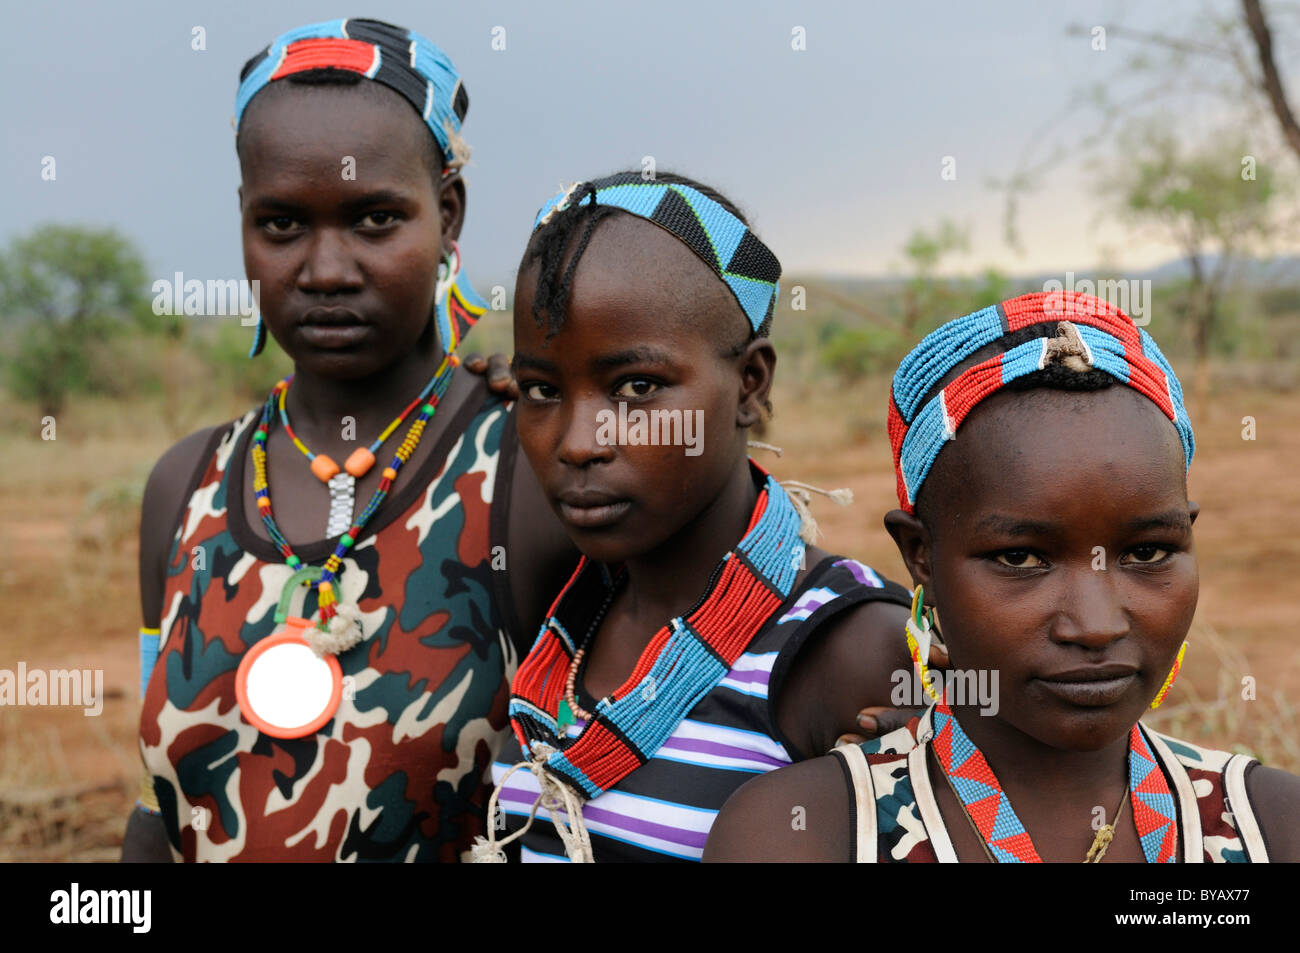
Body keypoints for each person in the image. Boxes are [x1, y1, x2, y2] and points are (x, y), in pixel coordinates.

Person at [121, 18, 576, 863]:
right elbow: (159, 808)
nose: (326, 269)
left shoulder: (531, 466)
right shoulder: (184, 487)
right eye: (283, 224)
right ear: (243, 224)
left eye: (374, 219)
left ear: (448, 216)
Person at [704, 290, 1300, 862]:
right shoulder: (802, 833)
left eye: (1146, 553)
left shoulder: (1276, 825)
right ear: (921, 558)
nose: (1094, 626)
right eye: (1021, 559)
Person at [474, 172, 919, 863]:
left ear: (750, 384)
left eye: (636, 387)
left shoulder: (853, 651)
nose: (577, 441)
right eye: (543, 389)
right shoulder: (569, 610)